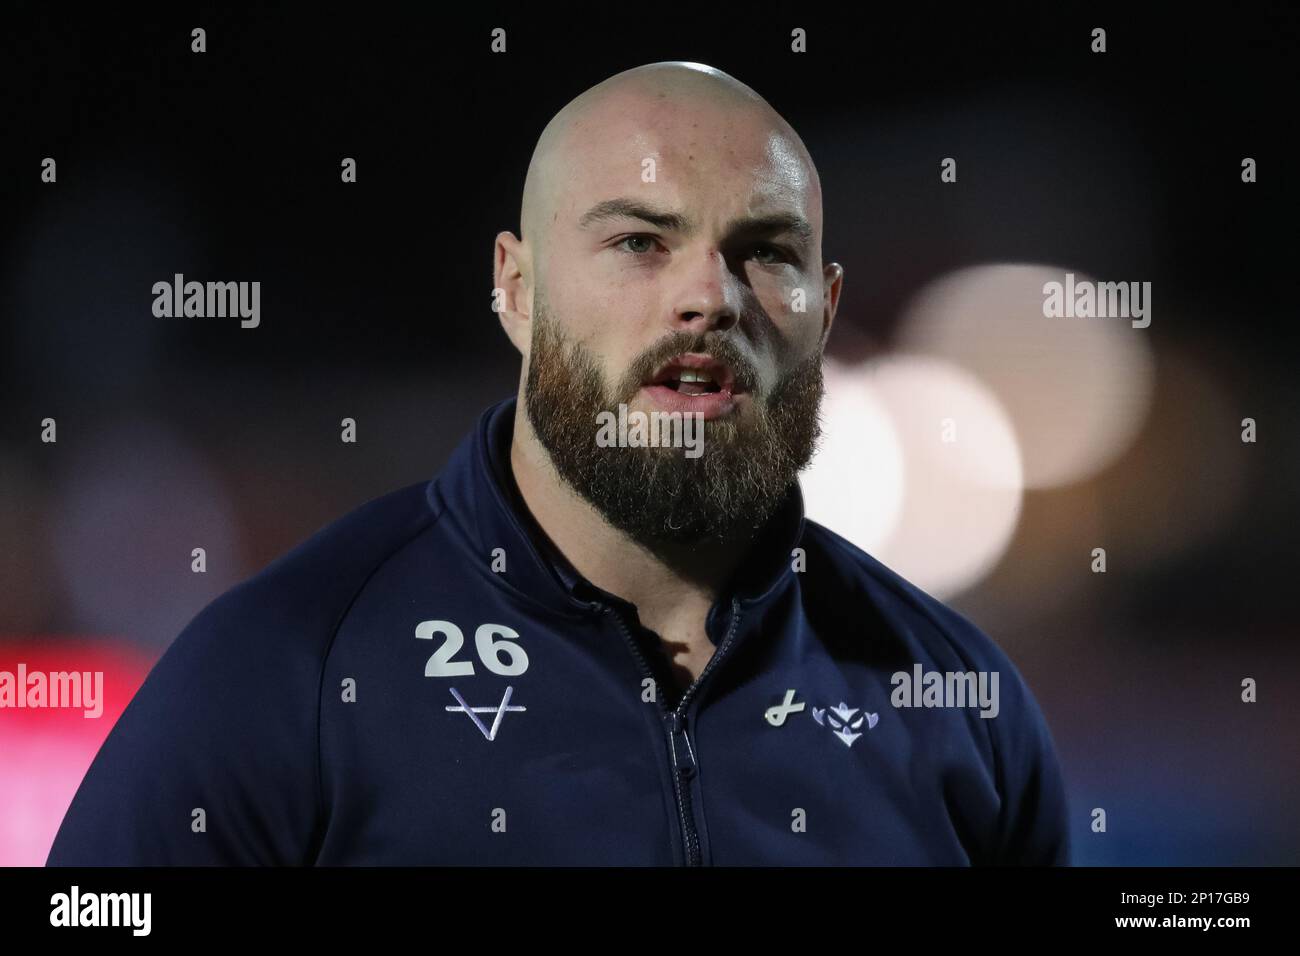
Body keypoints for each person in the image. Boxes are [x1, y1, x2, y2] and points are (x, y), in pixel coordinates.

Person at [47, 61, 1070, 866]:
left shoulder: (959, 698)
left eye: (766, 251)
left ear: (827, 309)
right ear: (517, 290)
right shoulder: (278, 675)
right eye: (638, 242)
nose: (708, 297)